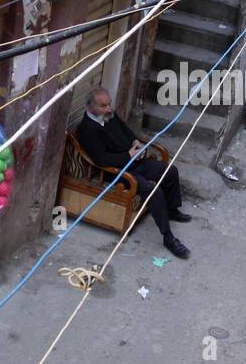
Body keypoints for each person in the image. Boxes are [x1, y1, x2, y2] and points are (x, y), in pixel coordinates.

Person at [75, 87, 192, 258]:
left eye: (109, 104)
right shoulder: (87, 129)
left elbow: (124, 128)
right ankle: (168, 238)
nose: (108, 108)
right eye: (103, 106)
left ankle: (172, 209)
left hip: (133, 161)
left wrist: (135, 141)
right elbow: (101, 160)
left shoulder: (108, 115)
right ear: (90, 106)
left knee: (170, 171)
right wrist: (128, 154)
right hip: (117, 172)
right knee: (154, 191)